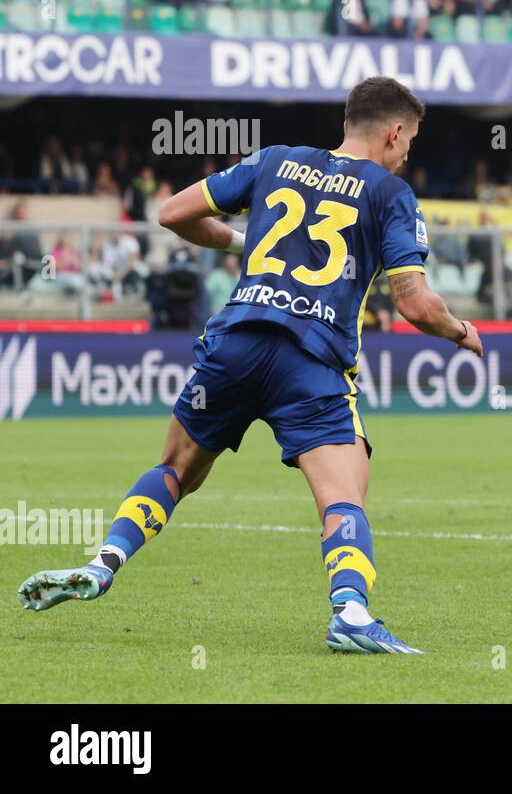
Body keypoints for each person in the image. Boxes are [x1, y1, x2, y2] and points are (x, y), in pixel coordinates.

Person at [18, 77, 484, 656]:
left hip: (235, 343)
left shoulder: (275, 161)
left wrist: (245, 241)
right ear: (394, 132)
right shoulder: (390, 192)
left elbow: (172, 213)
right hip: (310, 359)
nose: (409, 149)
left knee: (175, 470)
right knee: (344, 493)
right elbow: (413, 302)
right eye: (410, 137)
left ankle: (103, 561)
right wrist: (460, 331)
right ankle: (352, 613)